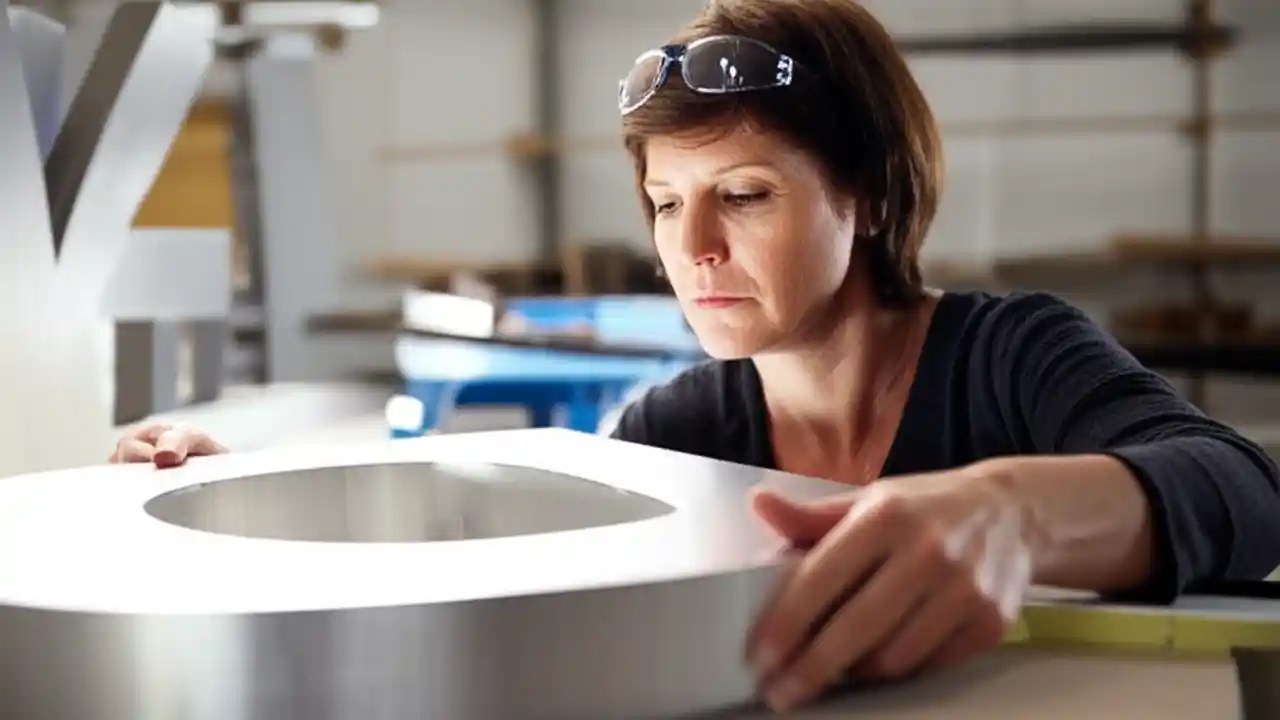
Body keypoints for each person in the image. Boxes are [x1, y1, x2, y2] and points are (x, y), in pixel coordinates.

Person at [112, 0, 1280, 712]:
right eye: (667, 203)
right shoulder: (676, 428)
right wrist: (253, 502)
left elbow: (1242, 488)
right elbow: (489, 547)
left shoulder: (1007, 358)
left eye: (745, 193)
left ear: (869, 197)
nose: (693, 247)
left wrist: (1011, 514)